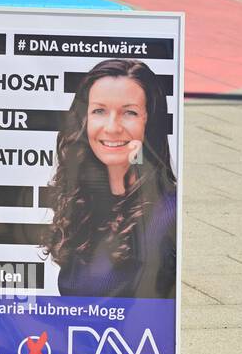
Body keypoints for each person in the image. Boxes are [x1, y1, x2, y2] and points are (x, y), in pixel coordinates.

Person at [42, 59, 177, 300]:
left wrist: (138, 164)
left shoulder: (167, 211)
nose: (112, 127)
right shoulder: (83, 200)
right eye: (99, 111)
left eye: (129, 112)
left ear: (149, 120)